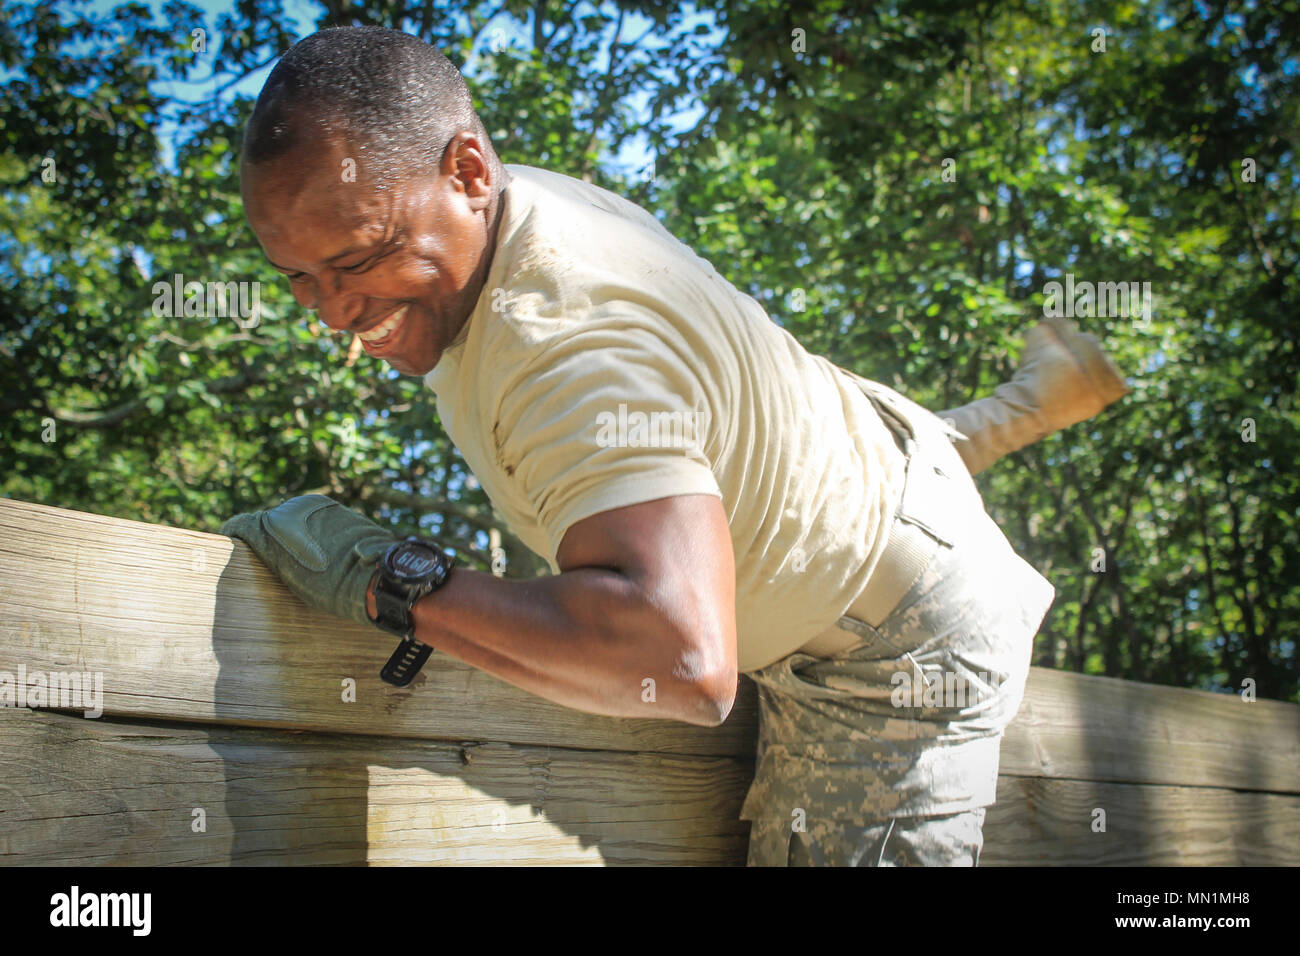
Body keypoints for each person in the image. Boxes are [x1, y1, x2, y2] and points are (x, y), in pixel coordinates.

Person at [222, 26, 1128, 866]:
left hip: (891, 639)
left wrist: (395, 584)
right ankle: (1028, 401)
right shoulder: (511, 212)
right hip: (850, 441)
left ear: (467, 170)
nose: (334, 311)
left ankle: (1020, 408)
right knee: (797, 460)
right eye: (297, 275)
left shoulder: (564, 342)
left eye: (359, 260)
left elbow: (683, 664)